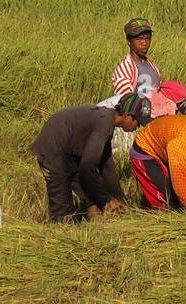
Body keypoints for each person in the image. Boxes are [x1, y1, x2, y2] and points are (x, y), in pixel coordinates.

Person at [32, 93, 152, 223]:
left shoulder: (107, 121)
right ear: (128, 116)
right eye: (138, 122)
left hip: (71, 153)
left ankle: (94, 225)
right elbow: (87, 167)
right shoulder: (104, 124)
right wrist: (106, 200)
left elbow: (107, 168)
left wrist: (121, 201)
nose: (138, 127)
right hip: (53, 150)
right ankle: (58, 235)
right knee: (63, 212)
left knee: (91, 199)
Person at [98, 80, 186, 155]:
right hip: (109, 125)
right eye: (177, 108)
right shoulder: (143, 104)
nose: (176, 112)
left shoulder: (152, 97)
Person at [112, 18, 162, 97]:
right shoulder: (125, 68)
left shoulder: (153, 67)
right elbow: (124, 100)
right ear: (129, 41)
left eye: (147, 38)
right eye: (139, 39)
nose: (144, 43)